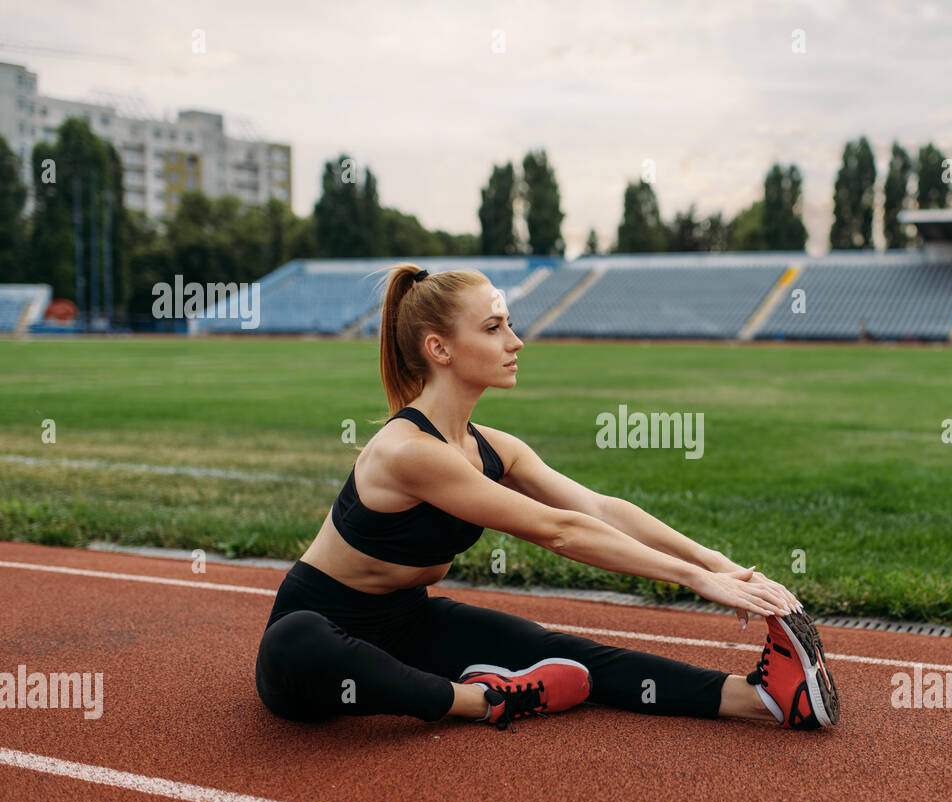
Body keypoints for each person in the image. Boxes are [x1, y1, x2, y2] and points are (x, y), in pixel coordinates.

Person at [255, 264, 840, 732]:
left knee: (566, 653)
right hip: (319, 644)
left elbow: (600, 509)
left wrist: (717, 563)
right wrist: (692, 580)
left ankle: (762, 699)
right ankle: (481, 701)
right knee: (295, 640)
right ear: (440, 349)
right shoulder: (408, 452)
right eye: (492, 328)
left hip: (406, 624)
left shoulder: (494, 449)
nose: (516, 340)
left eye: (508, 324)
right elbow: (557, 531)